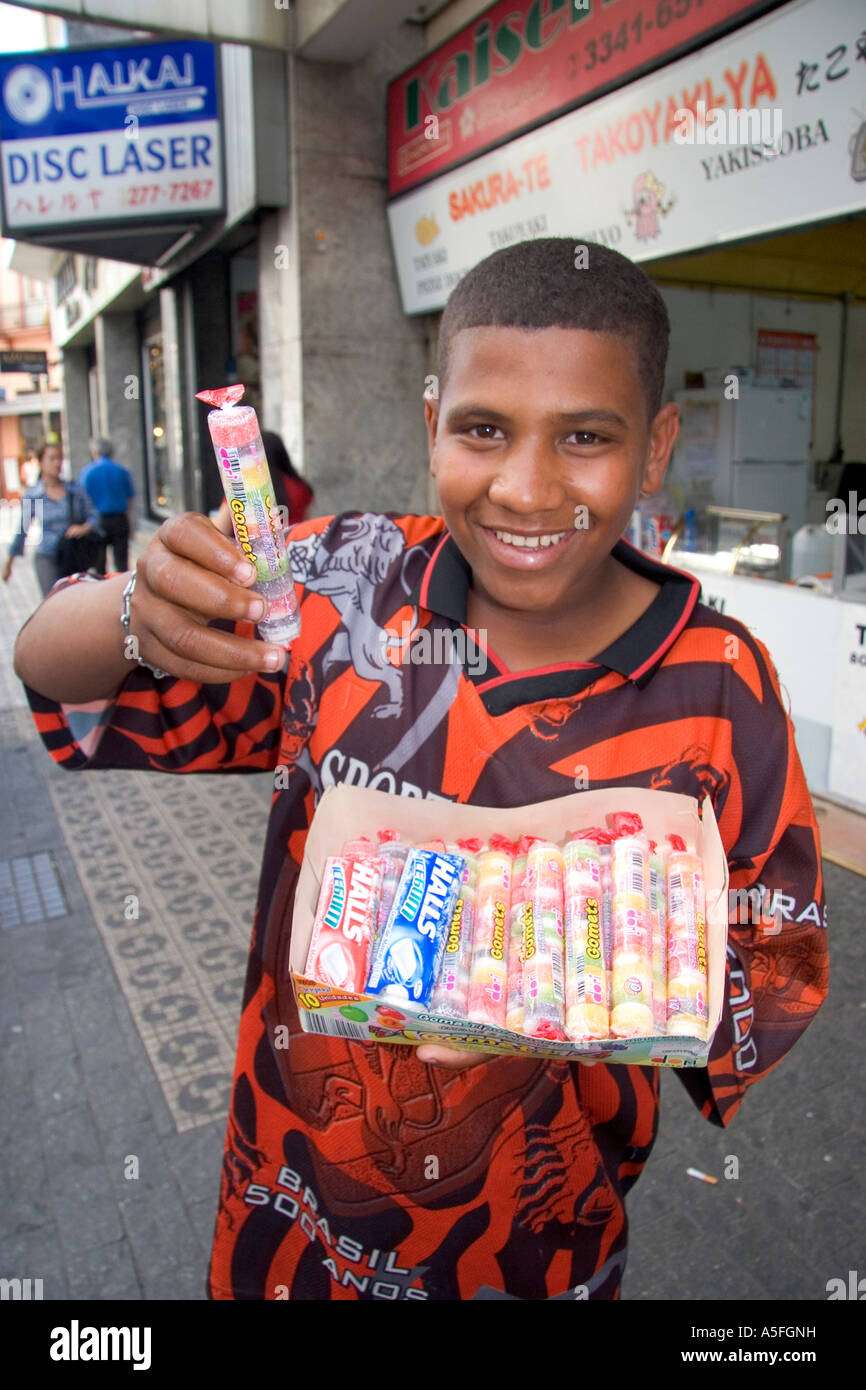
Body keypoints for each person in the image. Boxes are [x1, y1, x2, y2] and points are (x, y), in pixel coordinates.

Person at [12, 239, 828, 1301]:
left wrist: (551, 988)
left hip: (532, 1253)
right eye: (482, 429)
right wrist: (134, 608)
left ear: (655, 445)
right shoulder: (336, 588)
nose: (525, 488)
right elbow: (53, 673)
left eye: (584, 436)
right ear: (429, 420)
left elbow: (779, 969)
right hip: (283, 1218)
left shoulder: (719, 686)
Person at [2, 440, 99, 596]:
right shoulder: (34, 494)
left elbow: (94, 516)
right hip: (47, 555)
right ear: (41, 462)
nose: (57, 463)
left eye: (60, 458)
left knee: (77, 600)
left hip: (73, 553)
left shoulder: (74, 490)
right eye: (52, 458)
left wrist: (83, 528)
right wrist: (9, 562)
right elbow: (22, 529)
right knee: (53, 600)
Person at [79, 435, 136, 573]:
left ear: (94, 452)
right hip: (119, 518)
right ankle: (123, 589)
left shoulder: (87, 472)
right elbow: (131, 497)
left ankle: (103, 590)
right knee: (122, 563)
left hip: (98, 521)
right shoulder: (121, 471)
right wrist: (127, 517)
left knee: (99, 564)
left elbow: (82, 500)